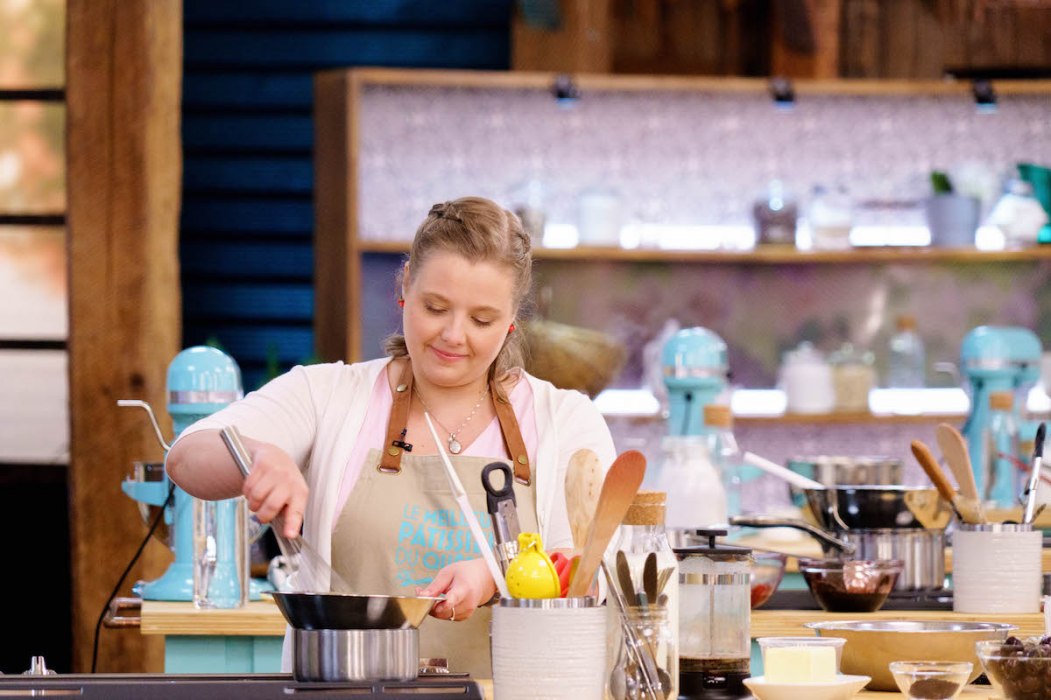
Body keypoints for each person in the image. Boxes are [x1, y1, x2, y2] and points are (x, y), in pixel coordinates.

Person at [165, 195, 617, 676]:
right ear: (404, 285)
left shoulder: (565, 419)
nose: (453, 335)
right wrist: (255, 455)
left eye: (481, 319)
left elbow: (601, 572)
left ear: (511, 321)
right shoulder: (327, 396)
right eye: (435, 307)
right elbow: (186, 457)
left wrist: (497, 576)